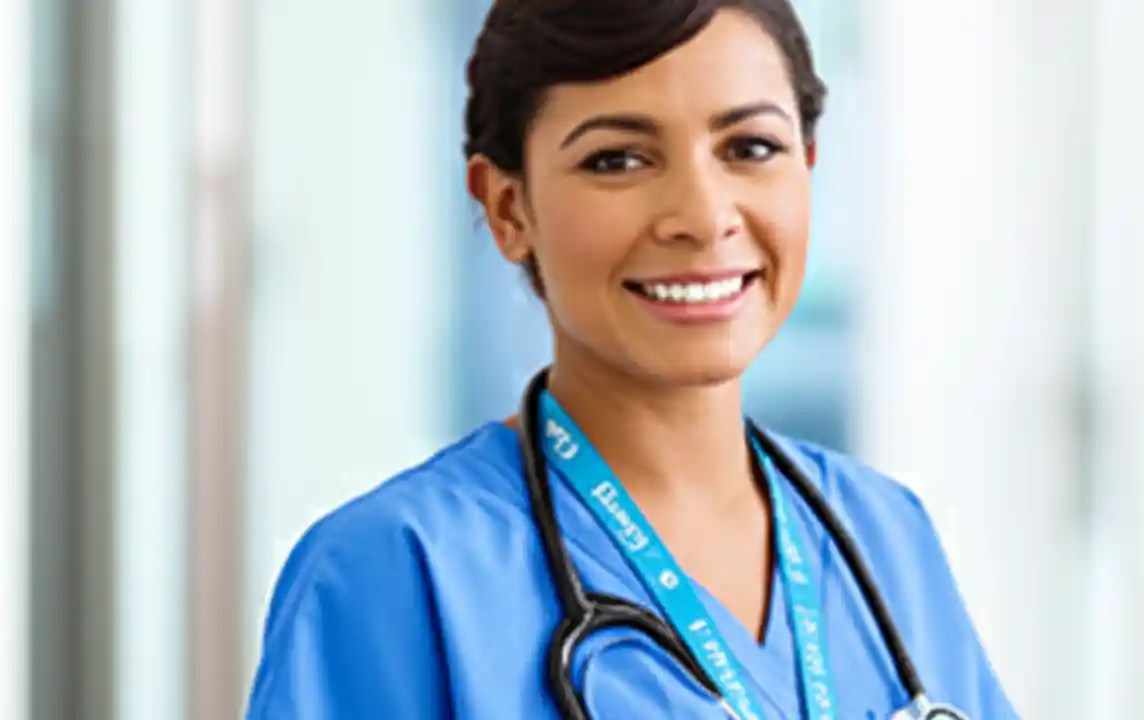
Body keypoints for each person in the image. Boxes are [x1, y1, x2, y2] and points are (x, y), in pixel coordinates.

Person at [246, 1, 1019, 717]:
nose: (704, 217)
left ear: (807, 166)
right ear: (509, 209)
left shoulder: (885, 536)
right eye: (618, 160)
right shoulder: (398, 574)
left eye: (750, 148)